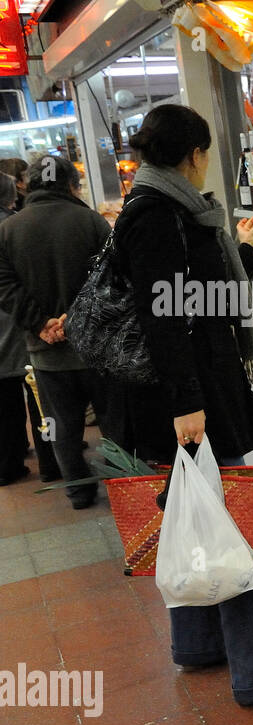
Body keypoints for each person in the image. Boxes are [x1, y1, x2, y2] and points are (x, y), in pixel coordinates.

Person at [107, 103, 253, 704]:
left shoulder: (168, 209)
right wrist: (187, 403)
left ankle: (198, 645)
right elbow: (165, 319)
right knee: (224, 526)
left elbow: (207, 297)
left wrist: (244, 257)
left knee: (194, 513)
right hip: (182, 399)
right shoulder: (158, 215)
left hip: (186, 393)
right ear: (193, 154)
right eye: (206, 154)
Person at [0, 157, 110, 508]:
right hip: (98, 347)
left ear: (28, 186)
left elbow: (4, 286)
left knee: (59, 426)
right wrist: (75, 319)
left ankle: (78, 491)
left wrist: (40, 323)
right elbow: (112, 279)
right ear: (71, 185)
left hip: (45, 352)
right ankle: (123, 485)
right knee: (112, 422)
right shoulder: (92, 221)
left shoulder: (8, 230)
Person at [0, 172, 29, 484]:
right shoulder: (12, 226)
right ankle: (51, 454)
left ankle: (9, 460)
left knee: (4, 401)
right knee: (35, 395)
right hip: (15, 322)